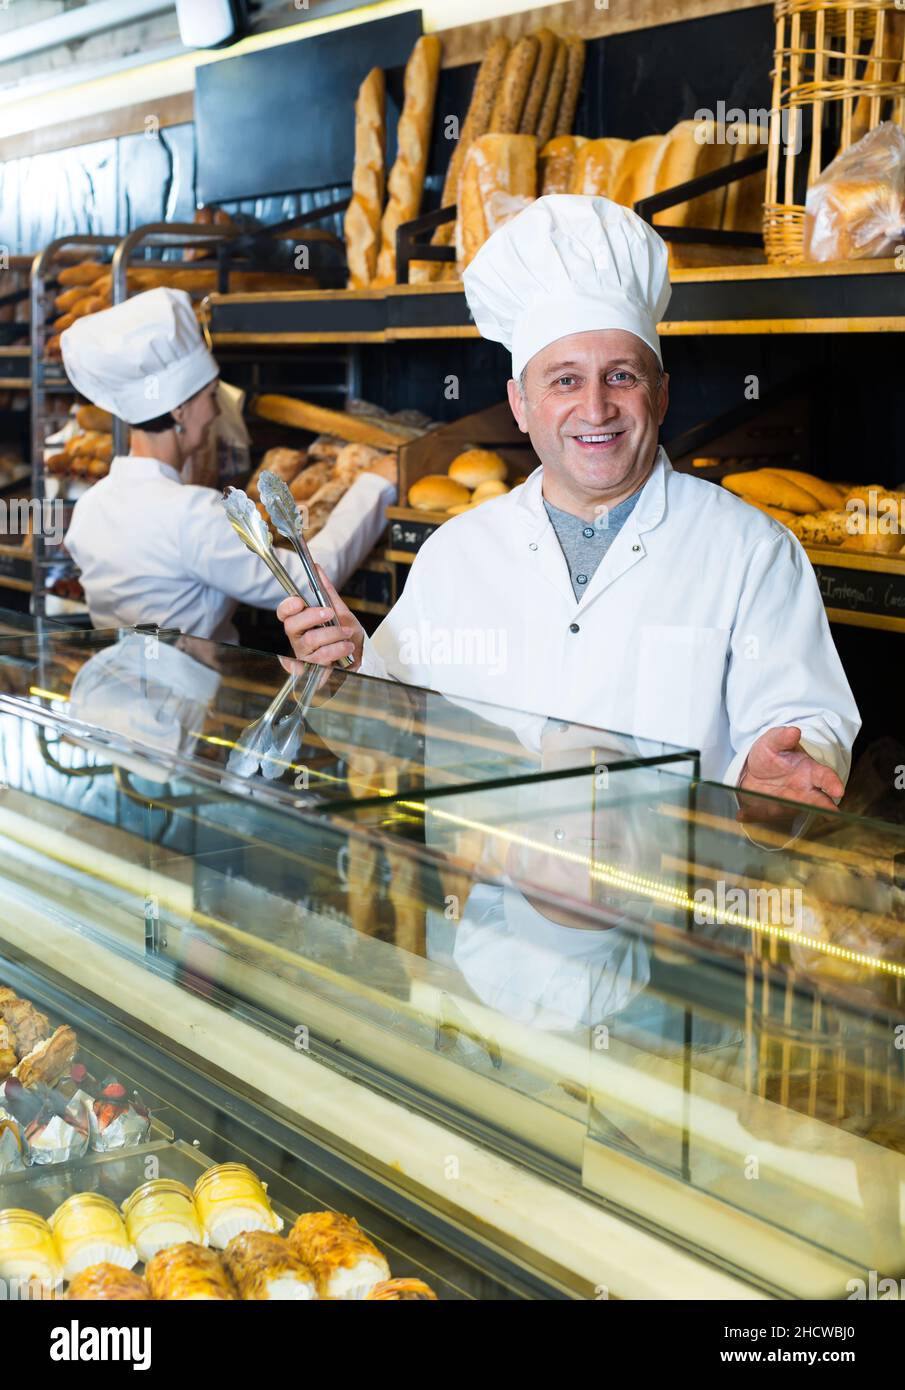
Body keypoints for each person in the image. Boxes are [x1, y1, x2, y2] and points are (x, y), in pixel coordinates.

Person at [279, 195, 859, 807]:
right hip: (491, 896)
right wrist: (345, 671)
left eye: (622, 376)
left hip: (673, 894)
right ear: (520, 405)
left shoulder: (751, 551)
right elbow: (400, 733)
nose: (596, 408)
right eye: (564, 380)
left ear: (660, 397)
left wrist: (778, 784)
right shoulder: (457, 553)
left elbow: (803, 730)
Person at [61, 287, 395, 642]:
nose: (217, 411)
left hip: (114, 688)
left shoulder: (92, 505)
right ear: (179, 410)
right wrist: (375, 486)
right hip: (190, 691)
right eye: (211, 394)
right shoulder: (190, 514)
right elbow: (313, 580)